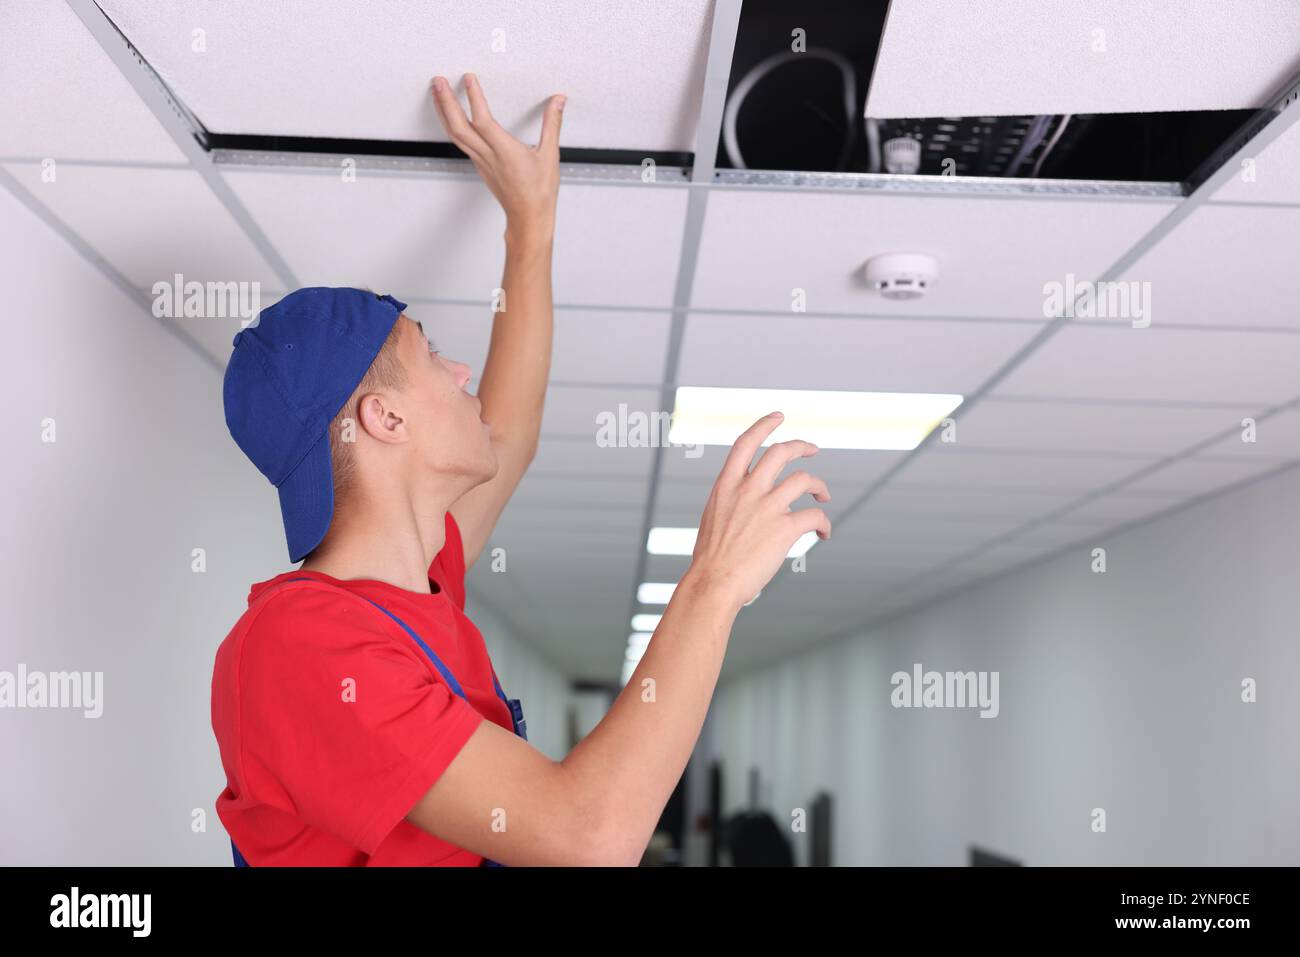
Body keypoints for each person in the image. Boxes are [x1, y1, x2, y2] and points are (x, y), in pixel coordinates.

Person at [210, 73, 832, 867]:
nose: (461, 369)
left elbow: (510, 431)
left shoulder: (413, 590)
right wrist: (714, 584)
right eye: (432, 353)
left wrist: (530, 228)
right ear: (384, 418)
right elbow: (587, 837)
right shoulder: (300, 645)